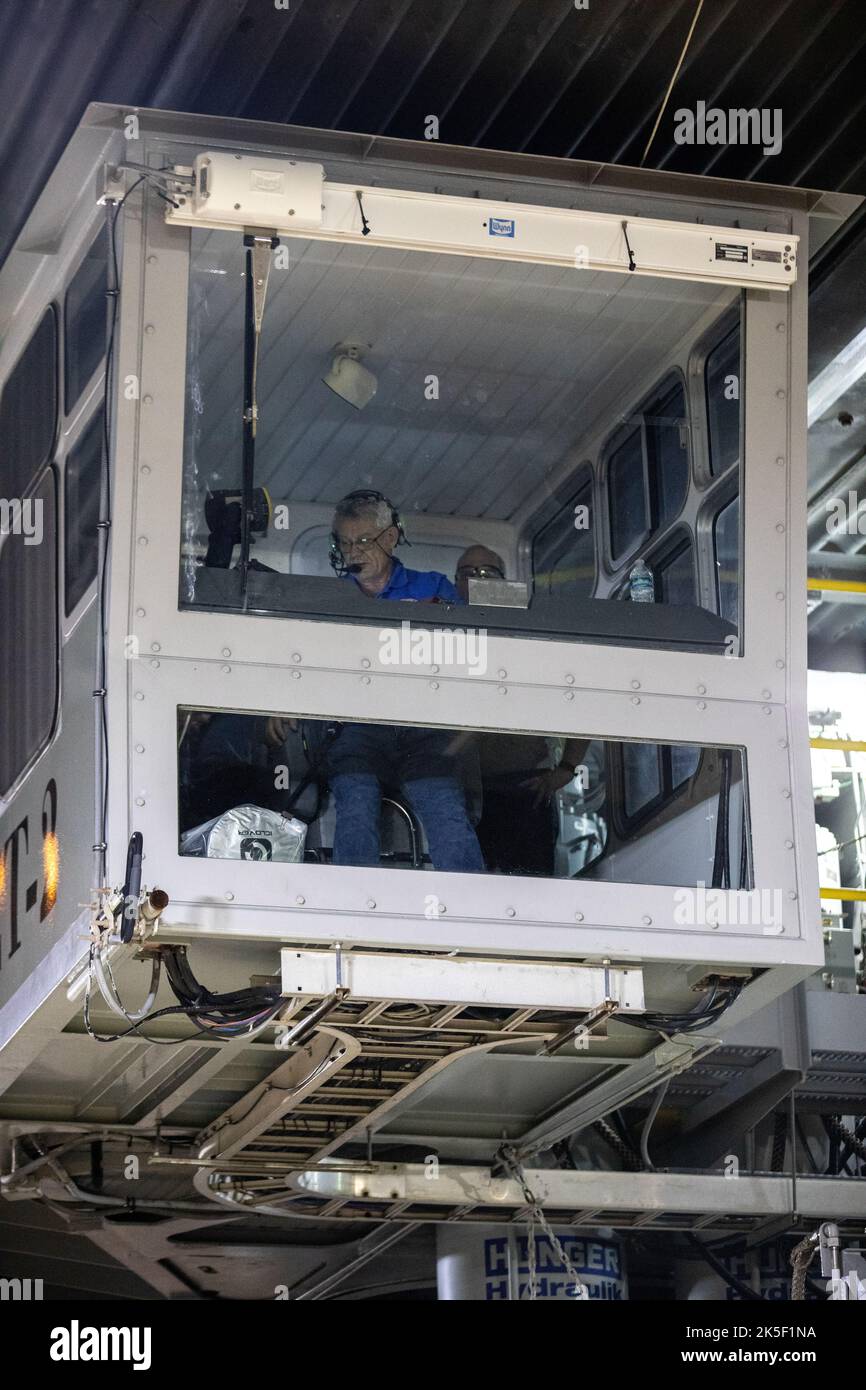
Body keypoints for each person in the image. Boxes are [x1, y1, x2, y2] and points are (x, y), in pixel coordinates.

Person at [268, 490, 484, 873]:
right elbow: (301, 660)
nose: (353, 552)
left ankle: (472, 914)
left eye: (363, 541)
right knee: (356, 799)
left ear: (390, 538)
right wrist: (283, 701)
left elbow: (468, 656)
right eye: (344, 543)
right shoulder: (329, 599)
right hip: (356, 729)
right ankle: (354, 911)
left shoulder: (433, 589)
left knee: (444, 807)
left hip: (423, 728)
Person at [453, 547, 589, 876]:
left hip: (524, 787)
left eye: (486, 573)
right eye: (468, 573)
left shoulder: (529, 639)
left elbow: (583, 701)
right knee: (468, 895)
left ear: (503, 583)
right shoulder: (442, 637)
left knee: (532, 892)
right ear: (454, 583)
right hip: (458, 791)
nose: (476, 581)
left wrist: (568, 767)